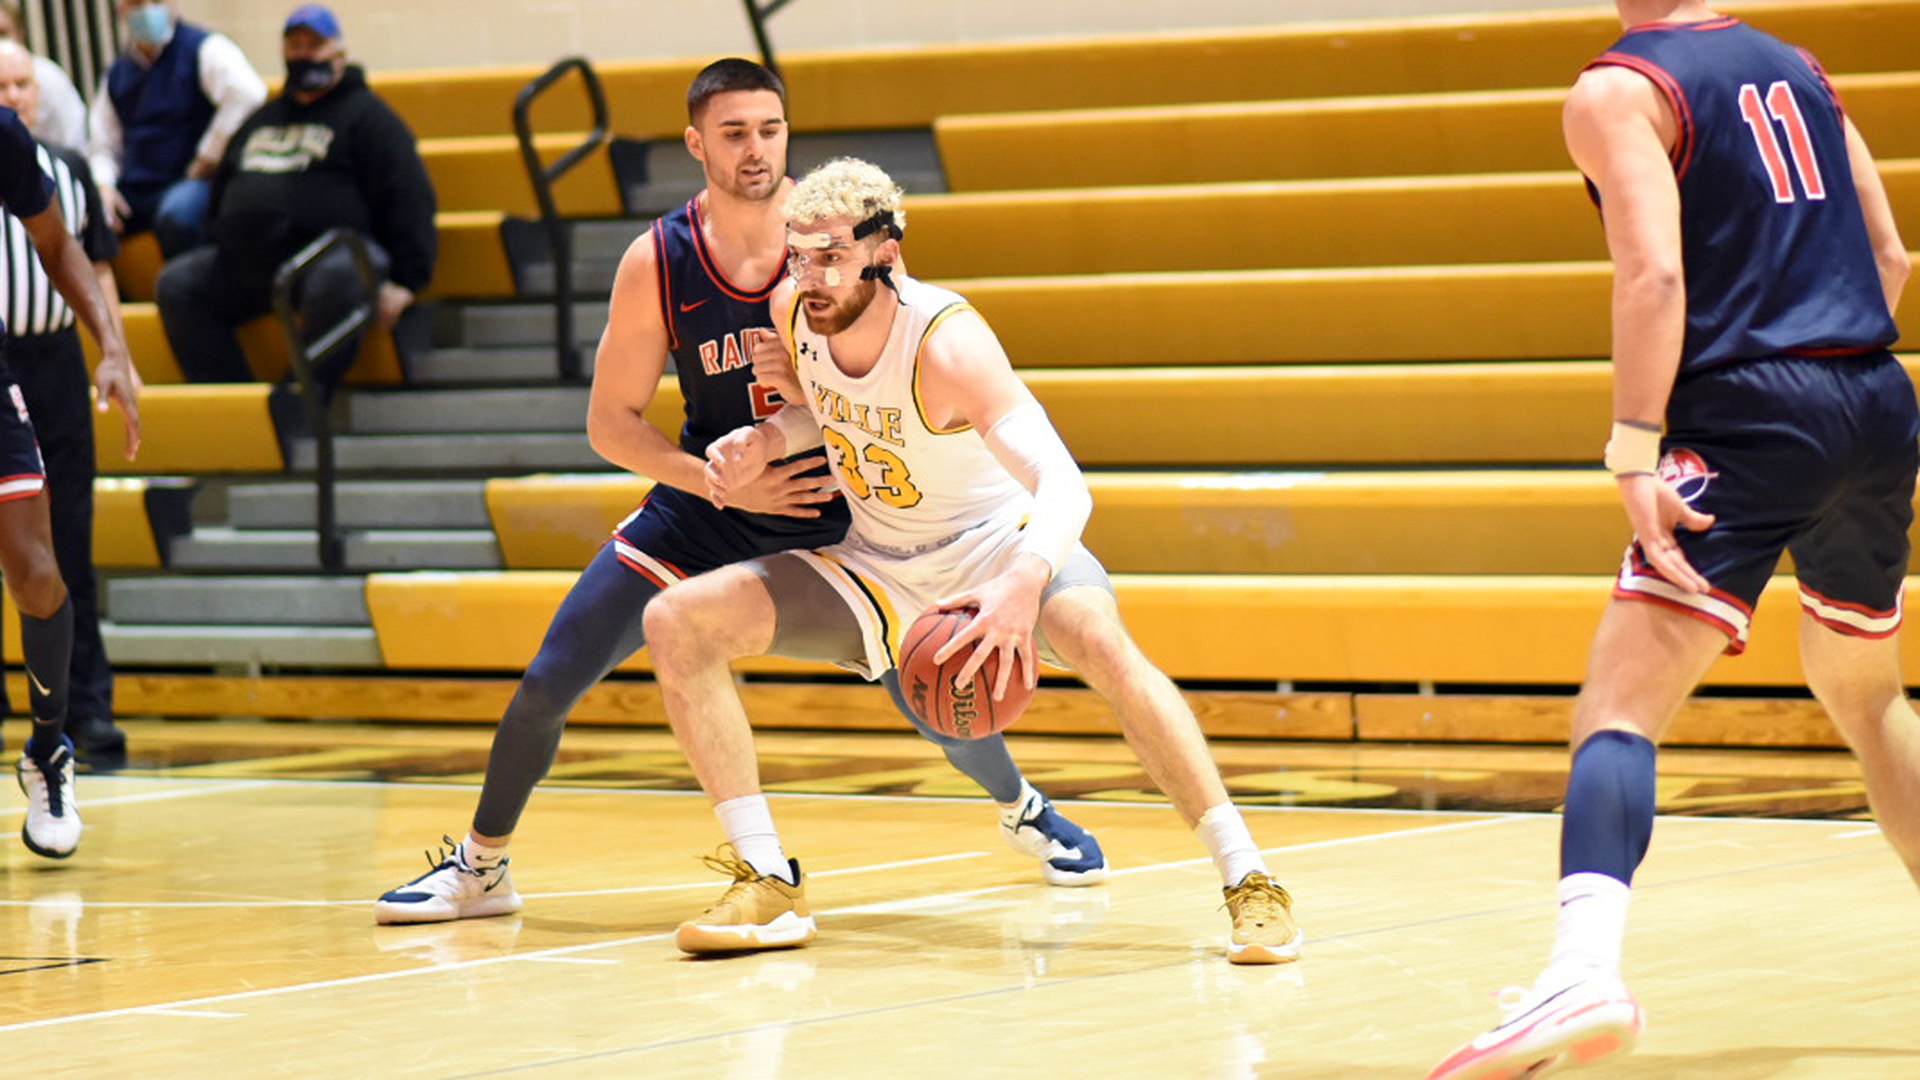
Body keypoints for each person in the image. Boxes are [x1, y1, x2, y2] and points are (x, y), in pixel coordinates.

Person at [374, 61, 1106, 926]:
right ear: (696, 144)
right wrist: (711, 479)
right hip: (703, 505)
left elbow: (894, 376)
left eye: (770, 129)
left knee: (931, 688)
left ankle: (1021, 807)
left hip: (833, 506)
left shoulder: (834, 235)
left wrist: (794, 410)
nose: (756, 149)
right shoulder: (659, 260)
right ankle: (482, 868)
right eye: (733, 133)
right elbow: (610, 423)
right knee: (551, 674)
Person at [648, 156, 1301, 962]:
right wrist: (765, 441)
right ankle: (766, 880)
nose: (808, 275)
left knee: (1103, 645)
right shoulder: (794, 314)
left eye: (829, 256)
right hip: (877, 563)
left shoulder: (949, 344)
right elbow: (828, 415)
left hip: (992, 548)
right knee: (675, 621)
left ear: (884, 256)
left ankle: (1250, 881)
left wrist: (1024, 584)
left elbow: (1063, 482)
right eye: (798, 254)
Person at [1427, 4, 1913, 1076]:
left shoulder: (1618, 89)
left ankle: (1581, 971)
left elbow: (1653, 274)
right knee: (1870, 698)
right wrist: (1828, 391)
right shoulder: (1799, 68)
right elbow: (1888, 252)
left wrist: (1637, 449)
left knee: (1620, 708)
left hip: (1749, 406)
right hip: (1876, 395)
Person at [154, 5, 434, 395]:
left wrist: (407, 279)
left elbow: (409, 194)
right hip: (251, 261)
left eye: (315, 45)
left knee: (339, 277)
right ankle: (237, 403)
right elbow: (223, 188)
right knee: (178, 283)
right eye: (295, 45)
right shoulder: (262, 117)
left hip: (328, 257)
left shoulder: (369, 117)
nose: (304, 54)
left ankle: (301, 401)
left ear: (340, 53)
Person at [0, 100, 141, 860]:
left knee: (36, 569)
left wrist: (111, 345)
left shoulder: (3, 134)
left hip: (13, 367)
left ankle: (50, 750)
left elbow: (57, 244)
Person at [86, 0, 265, 257]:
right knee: (88, 217)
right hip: (136, 188)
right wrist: (104, 187)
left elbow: (248, 94)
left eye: (156, 1)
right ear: (120, 10)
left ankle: (188, 294)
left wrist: (207, 156)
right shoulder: (117, 73)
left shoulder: (206, 47)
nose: (147, 10)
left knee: (178, 215)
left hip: (191, 182)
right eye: (136, 2)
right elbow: (102, 144)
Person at [0, 2, 87, 151]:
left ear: (19, 34)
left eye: (3, 34)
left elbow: (74, 147)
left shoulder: (47, 77)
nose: (13, 97)